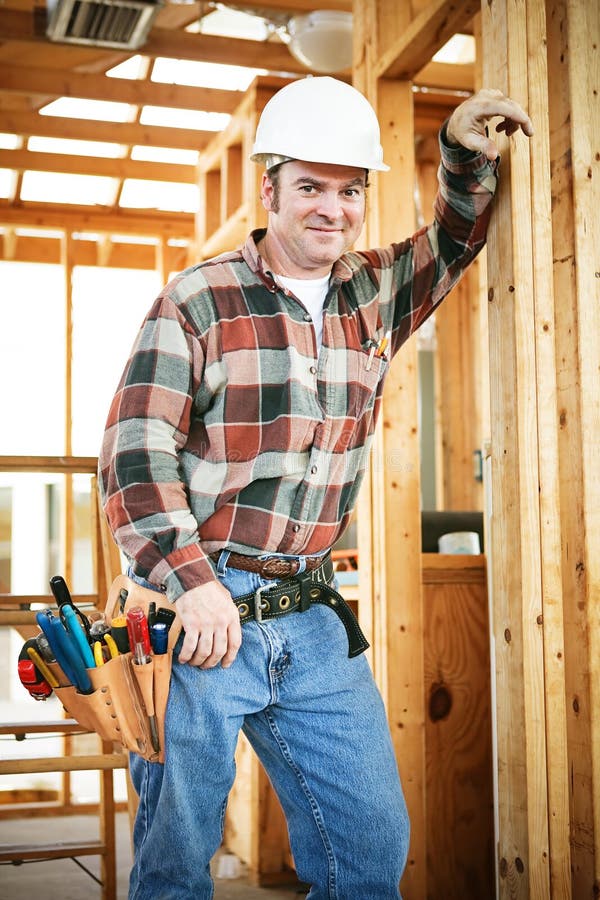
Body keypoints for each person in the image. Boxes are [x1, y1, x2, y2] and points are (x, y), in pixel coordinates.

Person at [99, 76, 533, 900]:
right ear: (269, 191)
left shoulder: (371, 296)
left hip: (312, 617)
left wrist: (465, 152)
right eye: (310, 187)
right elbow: (133, 455)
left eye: (350, 191)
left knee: (371, 845)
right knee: (174, 863)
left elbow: (451, 240)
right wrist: (192, 588)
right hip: (197, 619)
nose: (331, 209)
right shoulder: (197, 300)